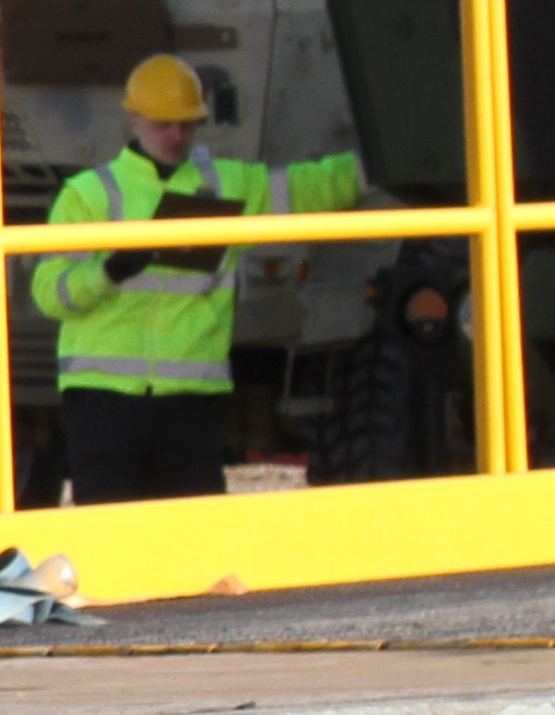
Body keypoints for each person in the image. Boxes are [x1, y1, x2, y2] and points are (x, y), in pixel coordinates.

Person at [29, 50, 357, 504]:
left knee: (190, 544)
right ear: (134, 120)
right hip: (103, 398)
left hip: (185, 401)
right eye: (163, 124)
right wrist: (107, 272)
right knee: (113, 541)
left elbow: (309, 186)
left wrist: (379, 164)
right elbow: (50, 295)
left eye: (186, 124)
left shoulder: (226, 185)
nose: (176, 135)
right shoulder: (88, 194)